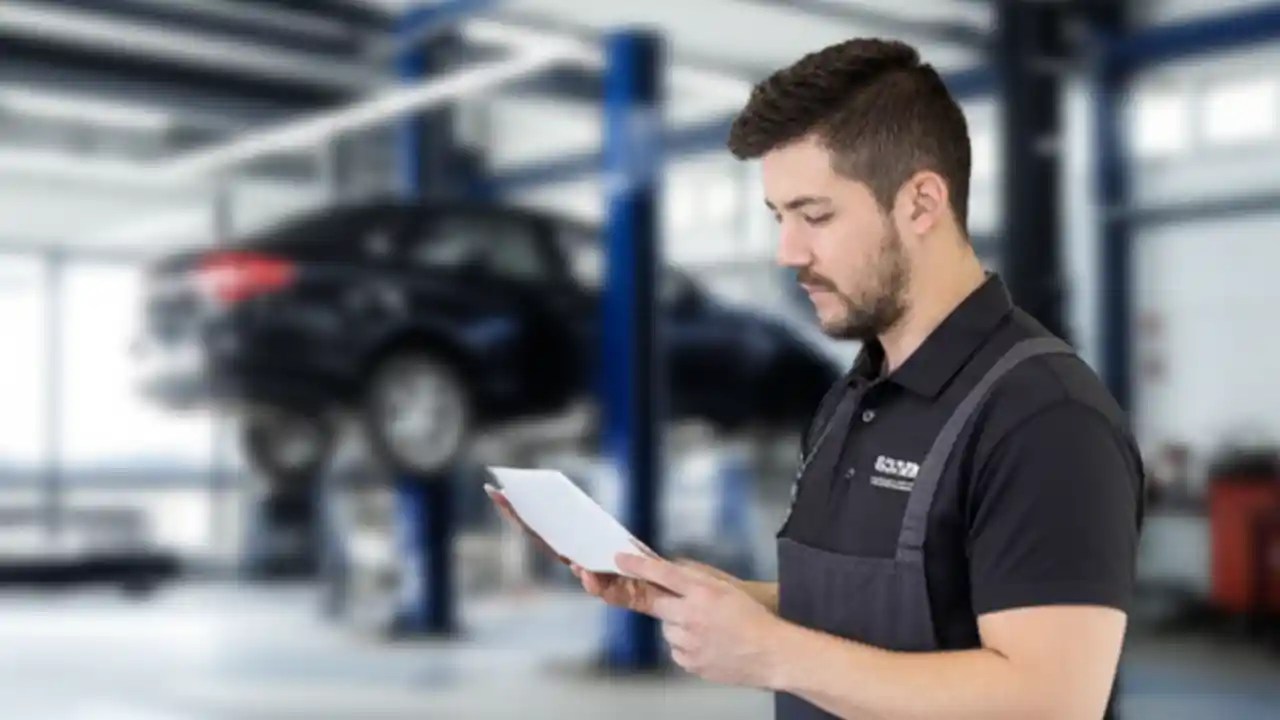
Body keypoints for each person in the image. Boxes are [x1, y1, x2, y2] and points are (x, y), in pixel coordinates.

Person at [489, 37, 1144, 720]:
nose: (787, 252)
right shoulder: (852, 399)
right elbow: (867, 614)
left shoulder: (1043, 418)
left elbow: (1050, 701)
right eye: (779, 218)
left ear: (921, 203)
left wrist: (770, 652)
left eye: (816, 215)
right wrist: (712, 599)